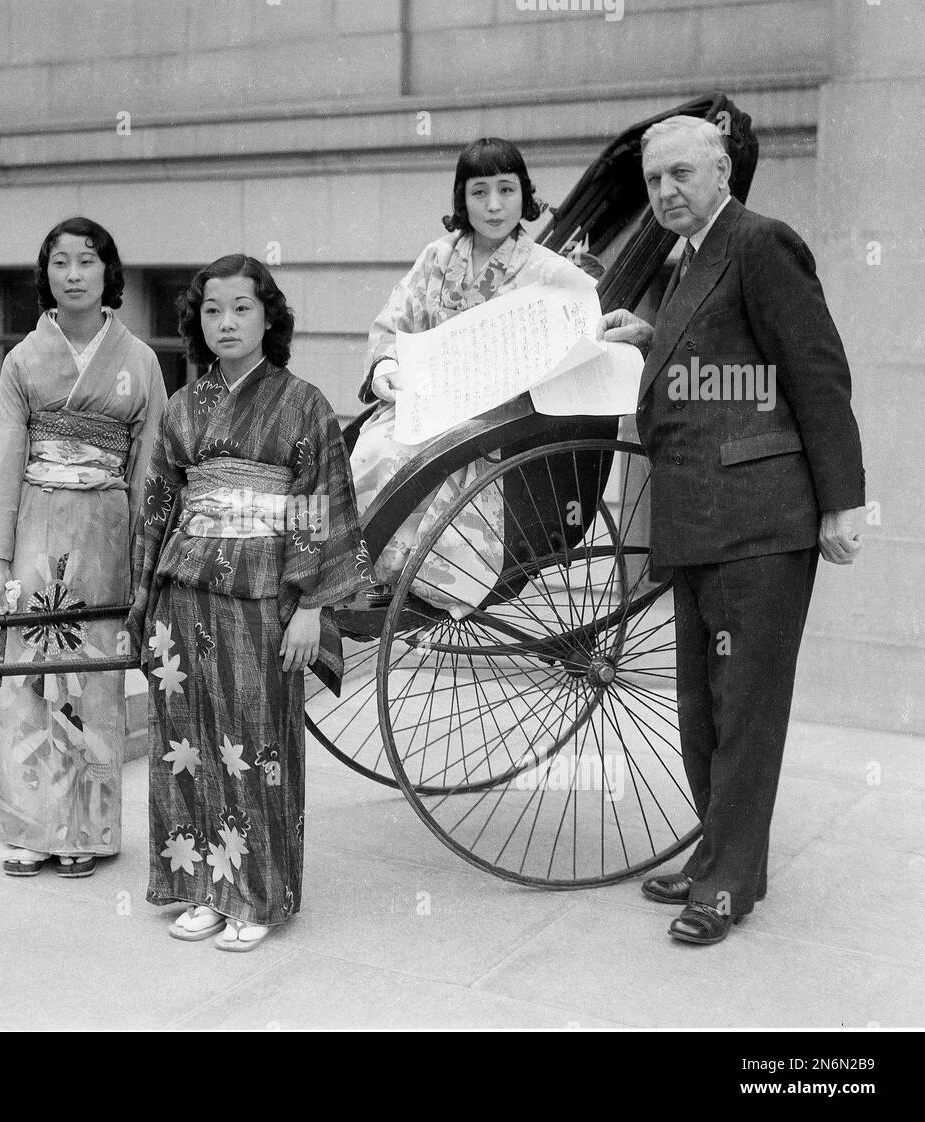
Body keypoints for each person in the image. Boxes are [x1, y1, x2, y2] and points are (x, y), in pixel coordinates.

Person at [597, 116, 865, 945]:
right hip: (703, 520)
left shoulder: (760, 243)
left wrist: (842, 500)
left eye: (681, 174)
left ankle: (726, 887)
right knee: (703, 708)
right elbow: (722, 363)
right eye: (653, 181)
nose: (666, 191)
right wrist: (652, 339)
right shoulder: (690, 261)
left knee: (744, 709)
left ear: (722, 174)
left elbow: (815, 369)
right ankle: (722, 851)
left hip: (762, 520)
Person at [127, 255, 372, 951]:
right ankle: (199, 885)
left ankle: (255, 895)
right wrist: (143, 599)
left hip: (263, 593)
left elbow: (318, 511)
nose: (225, 322)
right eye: (211, 310)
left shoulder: (304, 404)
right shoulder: (180, 410)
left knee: (252, 742)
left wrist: (312, 606)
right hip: (186, 593)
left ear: (269, 317)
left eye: (240, 308)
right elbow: (158, 512)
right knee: (185, 743)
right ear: (196, 322)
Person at [0, 217, 167, 878]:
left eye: (87, 262)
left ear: (109, 273)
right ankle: (25, 828)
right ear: (45, 274)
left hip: (104, 530)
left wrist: (147, 558)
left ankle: (85, 830)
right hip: (34, 531)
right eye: (60, 263)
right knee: (28, 682)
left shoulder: (138, 361)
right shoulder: (24, 361)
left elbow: (152, 465)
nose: (73, 275)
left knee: (93, 681)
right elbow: (1, 461)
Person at [351, 136, 599, 614]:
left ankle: (423, 580)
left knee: (448, 462)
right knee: (375, 450)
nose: (493, 205)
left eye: (506, 190)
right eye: (479, 191)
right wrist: (387, 366)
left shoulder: (549, 271)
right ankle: (372, 568)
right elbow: (393, 325)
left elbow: (576, 335)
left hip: (497, 417)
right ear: (461, 199)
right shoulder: (437, 259)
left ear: (525, 196)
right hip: (426, 401)